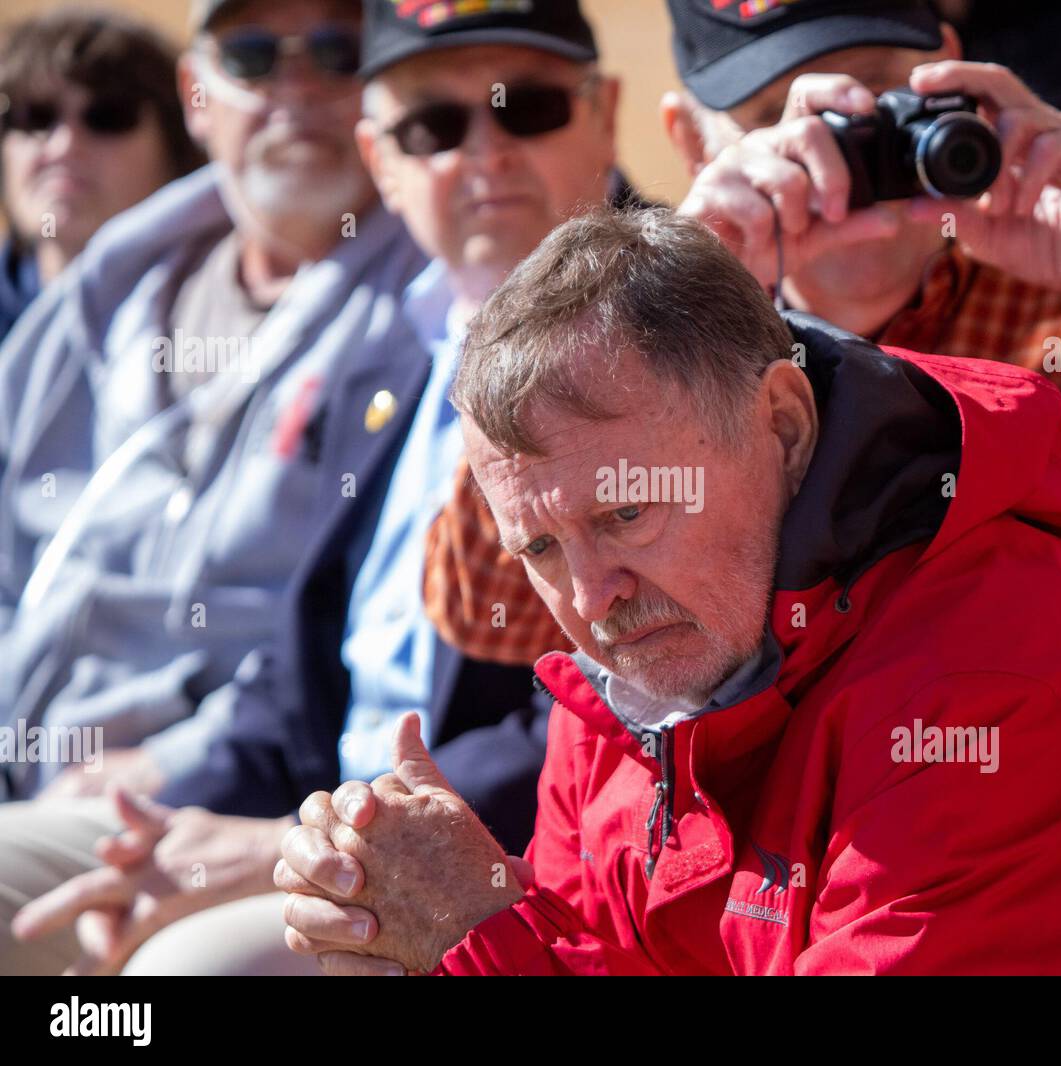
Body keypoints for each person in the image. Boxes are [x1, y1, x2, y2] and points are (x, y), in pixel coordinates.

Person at [275, 207, 1061, 975]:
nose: (591, 595)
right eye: (538, 545)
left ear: (784, 424)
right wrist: (407, 915)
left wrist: (471, 937)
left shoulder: (996, 701)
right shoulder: (640, 666)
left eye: (628, 511)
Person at [7, 0, 628, 976]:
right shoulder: (411, 336)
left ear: (607, 117)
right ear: (382, 158)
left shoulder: (652, 344)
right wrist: (188, 814)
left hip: (488, 849)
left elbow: (625, 694)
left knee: (175, 979)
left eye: (530, 109)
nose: (485, 153)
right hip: (312, 809)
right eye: (434, 126)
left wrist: (294, 843)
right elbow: (315, 660)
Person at [658, 0, 1061, 662]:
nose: (841, 165)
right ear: (693, 144)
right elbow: (557, 624)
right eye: (779, 125)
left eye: (874, 105)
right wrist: (677, 313)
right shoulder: (676, 340)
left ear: (949, 75)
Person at [0, 0, 430, 972]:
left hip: (233, 786)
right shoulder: (108, 300)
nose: (296, 88)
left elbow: (332, 639)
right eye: (252, 56)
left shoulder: (423, 311)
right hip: (39, 765)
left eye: (334, 52)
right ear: (199, 98)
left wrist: (172, 764)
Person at [0, 8, 205, 340]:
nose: (63, 146)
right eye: (34, 117)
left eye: (108, 116)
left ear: (178, 150)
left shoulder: (218, 321)